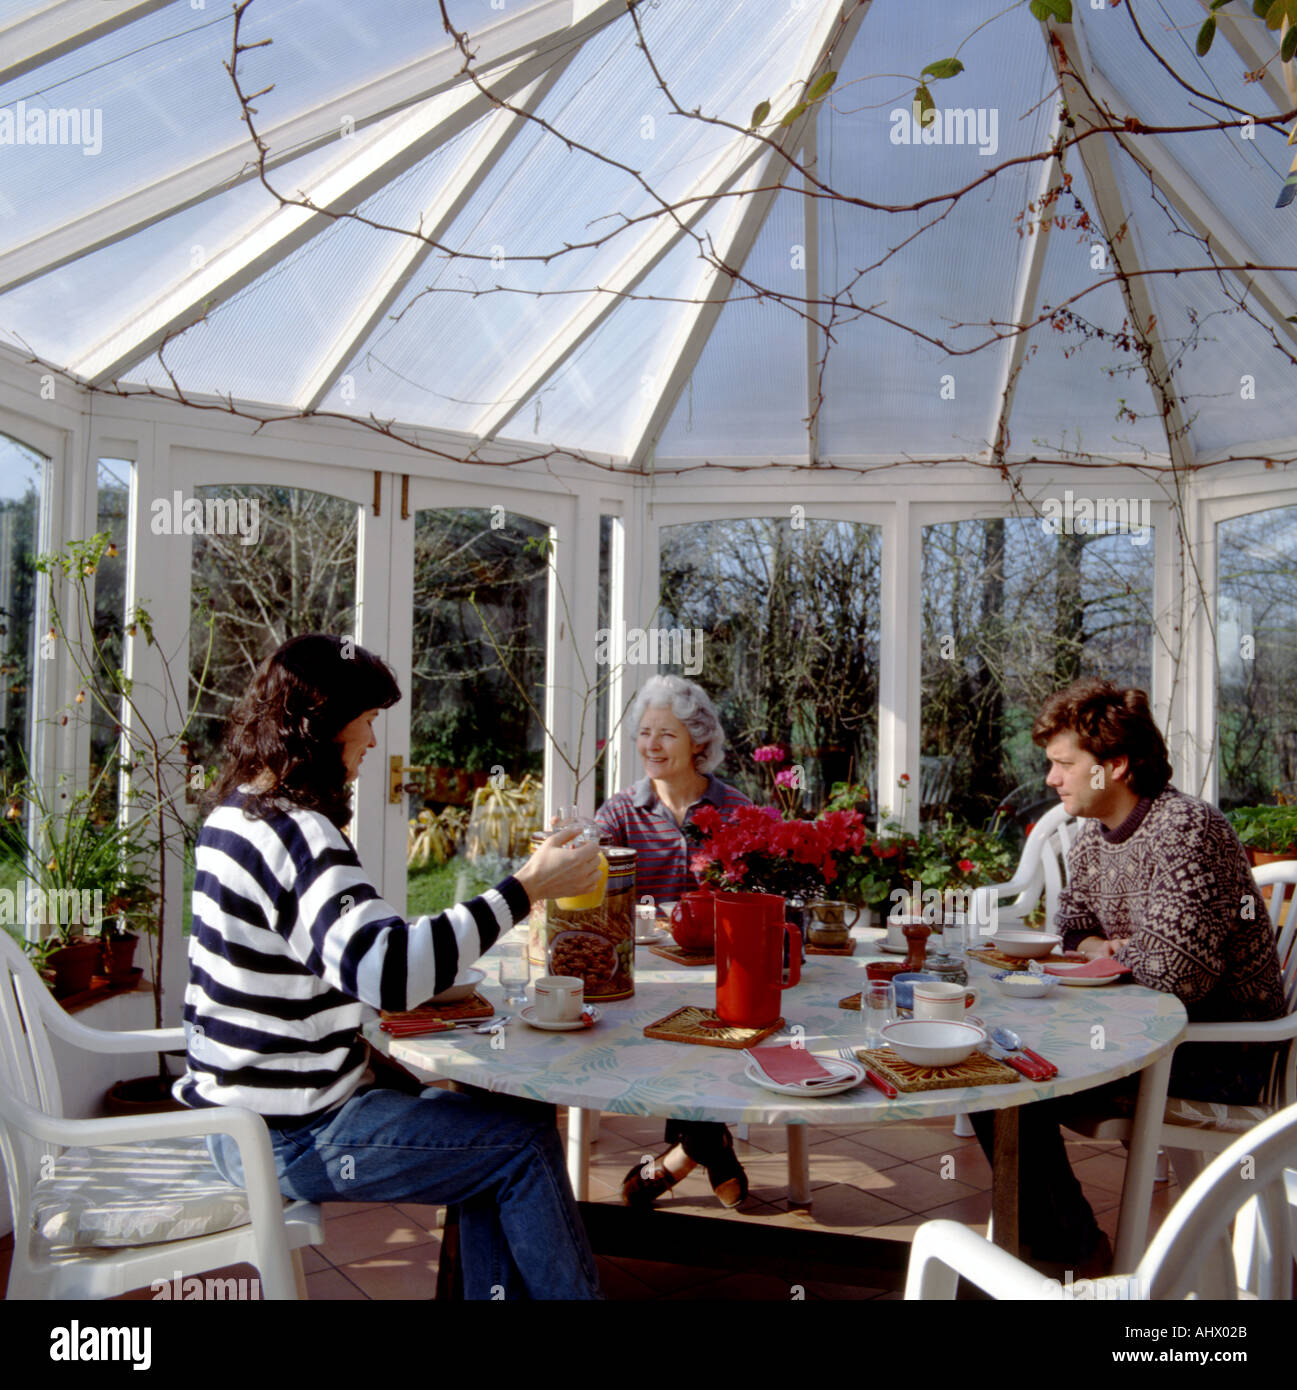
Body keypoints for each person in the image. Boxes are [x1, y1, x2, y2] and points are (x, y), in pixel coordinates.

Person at [174, 633, 604, 1299]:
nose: (372, 744)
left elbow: (339, 956)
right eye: (368, 722)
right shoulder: (298, 835)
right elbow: (392, 972)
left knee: (496, 1137)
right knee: (521, 1149)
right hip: (288, 1138)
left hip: (235, 1121)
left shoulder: (237, 815)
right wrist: (526, 887)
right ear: (322, 727)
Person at [971, 677, 1285, 1274]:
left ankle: (1071, 1258)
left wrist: (1111, 949)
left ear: (1114, 765)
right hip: (1142, 1033)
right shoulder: (1092, 838)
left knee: (1007, 1082)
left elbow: (1175, 975)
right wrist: (1114, 945)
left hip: (1223, 1052)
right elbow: (1070, 932)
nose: (1051, 778)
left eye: (1064, 764)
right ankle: (1059, 1249)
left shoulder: (1186, 830)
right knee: (988, 1071)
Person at [595, 674, 754, 1209]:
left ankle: (682, 1156)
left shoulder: (735, 810)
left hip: (721, 972)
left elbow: (756, 895)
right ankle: (712, 1148)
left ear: (698, 743)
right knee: (679, 1023)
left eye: (665, 734)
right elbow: (593, 878)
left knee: (723, 1020)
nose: (650, 746)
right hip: (648, 980)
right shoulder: (621, 812)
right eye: (643, 733)